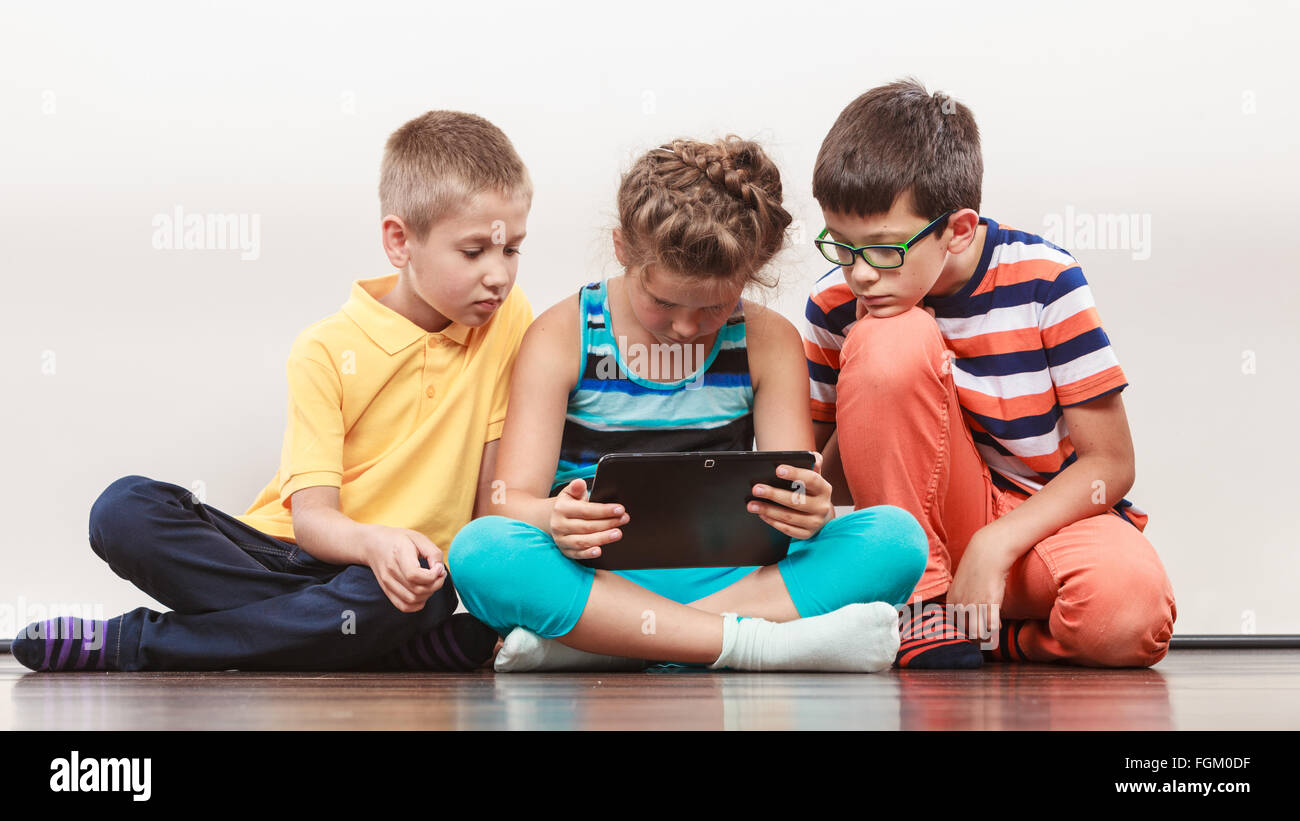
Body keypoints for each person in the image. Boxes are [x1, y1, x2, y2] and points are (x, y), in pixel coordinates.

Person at [12, 111, 533, 672]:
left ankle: (136, 644)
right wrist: (374, 544)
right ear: (399, 241)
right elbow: (312, 521)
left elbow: (485, 504)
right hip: (286, 555)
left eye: (512, 249)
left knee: (422, 598)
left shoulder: (507, 321)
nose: (499, 275)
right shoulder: (325, 350)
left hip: (392, 586)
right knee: (123, 509)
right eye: (474, 252)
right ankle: (373, 649)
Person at [447, 136, 928, 673]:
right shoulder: (564, 334)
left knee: (897, 539)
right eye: (663, 302)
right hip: (597, 576)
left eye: (714, 307)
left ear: (748, 277)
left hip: (734, 573)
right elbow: (508, 501)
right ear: (623, 249)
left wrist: (809, 511)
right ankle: (753, 645)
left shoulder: (768, 341)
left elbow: (789, 487)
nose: (685, 327)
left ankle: (611, 645)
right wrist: (555, 517)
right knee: (481, 551)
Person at [801, 79, 1176, 668]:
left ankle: (999, 637)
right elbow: (835, 479)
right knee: (889, 338)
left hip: (1041, 519)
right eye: (841, 247)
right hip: (916, 532)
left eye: (882, 249)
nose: (860, 275)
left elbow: (1112, 465)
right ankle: (922, 606)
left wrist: (996, 542)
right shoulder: (834, 306)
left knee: (1128, 615)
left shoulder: (1045, 280)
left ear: (958, 229)